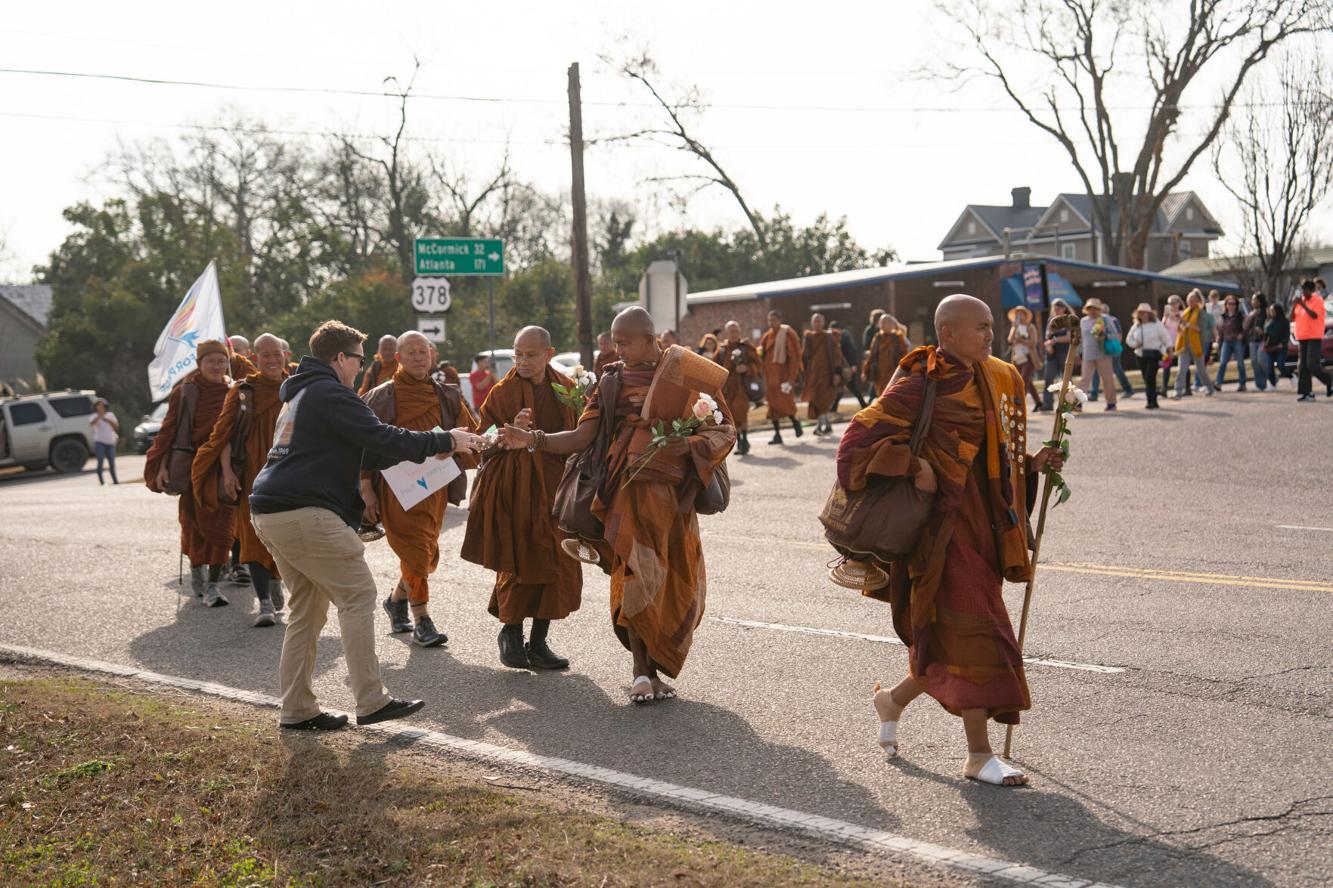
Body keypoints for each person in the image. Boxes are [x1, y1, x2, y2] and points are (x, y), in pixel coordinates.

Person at [842, 294, 1063, 787]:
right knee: (977, 630)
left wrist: (1031, 465)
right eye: (980, 327)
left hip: (984, 524)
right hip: (941, 531)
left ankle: (892, 700)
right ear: (948, 334)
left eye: (990, 326)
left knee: (948, 635)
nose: (990, 335)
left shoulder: (998, 377)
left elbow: (996, 456)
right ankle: (978, 756)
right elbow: (858, 440)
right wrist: (915, 467)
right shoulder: (924, 381)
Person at [250, 320, 486, 731]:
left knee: (307, 610)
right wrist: (444, 440)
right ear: (340, 358)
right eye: (358, 360)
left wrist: (428, 449)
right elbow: (383, 437)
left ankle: (297, 709)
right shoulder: (330, 392)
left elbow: (364, 453)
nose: (360, 368)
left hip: (271, 511)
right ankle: (371, 701)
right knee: (358, 595)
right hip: (306, 511)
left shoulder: (301, 394)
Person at [498, 307, 735, 704]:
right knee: (635, 575)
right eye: (614, 340)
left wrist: (689, 444)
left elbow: (726, 428)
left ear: (649, 337)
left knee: (677, 580)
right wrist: (534, 439)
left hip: (676, 501)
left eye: (624, 342)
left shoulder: (690, 372)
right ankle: (641, 671)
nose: (616, 348)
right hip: (627, 498)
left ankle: (654, 671)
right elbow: (581, 437)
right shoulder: (611, 381)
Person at [462, 326, 583, 670]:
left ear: (548, 353)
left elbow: (580, 435)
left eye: (531, 354)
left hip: (556, 488)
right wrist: (506, 432)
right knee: (520, 558)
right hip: (515, 489)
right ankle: (510, 631)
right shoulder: (502, 393)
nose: (523, 361)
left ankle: (540, 642)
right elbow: (481, 441)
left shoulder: (567, 390)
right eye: (518, 354)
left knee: (556, 562)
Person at [361, 332, 480, 647]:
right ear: (397, 358)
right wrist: (365, 488)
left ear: (431, 356)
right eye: (410, 353)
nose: (417, 358)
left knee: (425, 552)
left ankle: (396, 599)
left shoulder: (448, 395)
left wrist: (452, 447)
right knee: (415, 549)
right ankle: (422, 619)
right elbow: (363, 445)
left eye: (422, 352)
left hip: (433, 486)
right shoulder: (380, 396)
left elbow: (469, 435)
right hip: (394, 488)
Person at [191, 333, 289, 627]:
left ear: (285, 355)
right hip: (252, 476)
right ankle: (264, 603)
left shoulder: (295, 386)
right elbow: (223, 435)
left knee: (284, 536)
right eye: (265, 355)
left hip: (289, 474)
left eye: (276, 354)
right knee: (252, 535)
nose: (272, 360)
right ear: (255, 359)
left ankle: (275, 579)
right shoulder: (244, 390)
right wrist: (228, 471)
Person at [144, 339, 236, 607]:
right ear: (199, 364)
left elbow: (234, 434)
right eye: (211, 361)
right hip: (191, 466)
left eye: (222, 361)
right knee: (193, 526)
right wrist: (161, 465)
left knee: (222, 525)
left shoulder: (233, 390)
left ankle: (213, 585)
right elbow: (168, 431)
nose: (217, 366)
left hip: (220, 470)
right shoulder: (185, 392)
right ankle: (198, 570)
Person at [716, 320, 761, 455]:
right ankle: (740, 440)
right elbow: (714, 367)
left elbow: (758, 365)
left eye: (736, 331)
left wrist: (747, 368)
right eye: (731, 331)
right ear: (726, 333)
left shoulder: (746, 347)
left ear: (740, 332)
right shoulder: (722, 350)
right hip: (727, 389)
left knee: (741, 413)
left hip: (742, 387)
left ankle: (745, 440)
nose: (734, 334)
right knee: (732, 417)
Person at [759, 310, 804, 444]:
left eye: (774, 320)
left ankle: (795, 422)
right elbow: (762, 354)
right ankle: (777, 434)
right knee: (772, 406)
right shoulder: (767, 336)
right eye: (769, 320)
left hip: (783, 377)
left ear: (780, 320)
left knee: (785, 403)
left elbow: (794, 357)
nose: (771, 323)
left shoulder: (787, 334)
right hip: (770, 379)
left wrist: (792, 377)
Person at [802, 313, 844, 436]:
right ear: (811, 323)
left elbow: (837, 355)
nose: (817, 323)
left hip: (827, 373)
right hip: (813, 374)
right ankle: (827, 425)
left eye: (819, 321)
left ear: (824, 323)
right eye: (815, 321)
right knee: (815, 400)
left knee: (823, 400)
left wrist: (837, 373)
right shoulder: (809, 337)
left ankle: (820, 426)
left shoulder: (829, 337)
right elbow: (804, 356)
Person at [1291, 278, 1332, 402]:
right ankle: (1307, 392)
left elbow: (1314, 315)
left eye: (1305, 290)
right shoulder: (1300, 302)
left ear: (1311, 290)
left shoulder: (1318, 300)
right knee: (1302, 365)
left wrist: (1302, 304)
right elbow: (1291, 317)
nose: (1303, 292)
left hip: (1314, 336)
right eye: (1302, 289)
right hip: (1302, 336)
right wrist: (1294, 306)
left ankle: (1330, 380)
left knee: (1312, 364)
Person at [1126, 304, 1172, 409]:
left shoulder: (1157, 324)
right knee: (1146, 378)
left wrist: (1170, 350)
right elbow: (1129, 339)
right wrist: (1135, 344)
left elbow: (1166, 337)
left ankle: (1150, 401)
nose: (1142, 314)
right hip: (1140, 354)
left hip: (1154, 354)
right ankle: (1153, 398)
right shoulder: (1136, 325)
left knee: (1150, 377)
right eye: (1140, 312)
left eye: (1144, 312)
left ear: (1149, 313)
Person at [1174, 290, 1217, 398]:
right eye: (1189, 301)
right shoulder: (1185, 313)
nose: (1190, 303)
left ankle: (1210, 388)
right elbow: (1182, 328)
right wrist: (1180, 324)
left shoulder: (1201, 314)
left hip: (1198, 344)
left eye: (1192, 301)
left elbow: (1200, 329)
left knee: (1200, 369)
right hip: (1185, 344)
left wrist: (1187, 324)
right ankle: (1178, 391)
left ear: (1198, 301)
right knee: (1181, 368)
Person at [1079, 299, 1119, 411]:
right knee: (1084, 379)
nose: (1092, 311)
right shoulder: (1083, 321)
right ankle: (1078, 403)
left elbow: (1115, 334)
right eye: (1090, 308)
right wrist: (1078, 353)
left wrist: (1104, 336)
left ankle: (1111, 403)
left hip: (1103, 353)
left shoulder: (1106, 319)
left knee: (1107, 379)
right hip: (1088, 353)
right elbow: (1081, 338)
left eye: (1095, 308)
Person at [863, 313, 911, 398]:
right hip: (880, 375)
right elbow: (872, 356)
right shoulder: (877, 338)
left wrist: (908, 370)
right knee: (882, 397)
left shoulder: (898, 337)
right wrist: (865, 371)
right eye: (881, 323)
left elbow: (905, 355)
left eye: (885, 322)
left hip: (895, 373)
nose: (882, 325)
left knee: (893, 397)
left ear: (892, 324)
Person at [1006, 306, 1044, 411]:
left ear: (1025, 315)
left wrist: (1021, 340)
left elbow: (1033, 343)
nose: (1019, 316)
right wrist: (1014, 328)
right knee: (1024, 380)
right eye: (1017, 314)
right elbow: (1009, 340)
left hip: (1029, 357)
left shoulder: (1030, 327)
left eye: (1021, 313)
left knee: (1023, 379)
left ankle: (1019, 404)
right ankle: (1038, 402)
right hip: (1017, 357)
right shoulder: (1014, 327)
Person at [1041, 299, 1075, 410]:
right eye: (1054, 309)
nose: (1055, 311)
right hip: (1051, 354)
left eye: (1058, 308)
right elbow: (1047, 336)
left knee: (1066, 380)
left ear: (1064, 308)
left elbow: (1069, 337)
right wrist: (1048, 344)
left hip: (1065, 353)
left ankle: (1069, 404)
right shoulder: (1051, 320)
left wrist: (1055, 339)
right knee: (1048, 378)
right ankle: (1047, 405)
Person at [830, 321, 869, 409]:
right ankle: (834, 407)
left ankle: (863, 404)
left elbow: (851, 351)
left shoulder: (845, 337)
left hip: (847, 367)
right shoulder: (835, 338)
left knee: (852, 387)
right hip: (842, 367)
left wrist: (853, 364)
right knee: (843, 387)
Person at [1213, 294, 1249, 391]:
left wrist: (1242, 334)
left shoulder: (1240, 315)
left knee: (1240, 363)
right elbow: (1220, 328)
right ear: (1226, 305)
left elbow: (1245, 327)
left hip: (1237, 340)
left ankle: (1242, 384)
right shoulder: (1223, 316)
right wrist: (1219, 337)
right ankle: (1218, 383)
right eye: (1229, 303)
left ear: (1236, 305)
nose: (1231, 305)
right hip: (1226, 341)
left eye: (1233, 304)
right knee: (1223, 362)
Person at [89, 398, 119, 485]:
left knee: (112, 464)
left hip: (110, 443)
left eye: (102, 405)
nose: (101, 407)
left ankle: (115, 481)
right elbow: (92, 424)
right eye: (99, 405)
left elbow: (116, 427)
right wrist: (100, 416)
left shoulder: (110, 415)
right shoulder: (94, 416)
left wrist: (107, 419)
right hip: (99, 442)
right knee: (100, 462)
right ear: (96, 407)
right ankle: (101, 482)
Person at [1244, 293, 1269, 392]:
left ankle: (1272, 378)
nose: (1253, 301)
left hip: (1263, 340)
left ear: (1260, 301)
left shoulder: (1266, 312)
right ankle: (1260, 385)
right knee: (1254, 362)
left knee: (1261, 360)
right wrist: (1251, 316)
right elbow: (1245, 327)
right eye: (1252, 300)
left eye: (1255, 300)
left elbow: (1270, 324)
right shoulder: (1251, 313)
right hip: (1252, 340)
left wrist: (1264, 331)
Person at [1160, 295, 1185, 394]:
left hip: (1180, 343)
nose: (1172, 306)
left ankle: (1186, 388)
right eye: (1170, 304)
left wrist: (1176, 318)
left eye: (1174, 303)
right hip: (1169, 344)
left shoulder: (1182, 314)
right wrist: (1166, 317)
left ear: (1178, 304)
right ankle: (1164, 388)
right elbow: (1162, 327)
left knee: (1182, 366)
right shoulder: (1167, 316)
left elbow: (1183, 325)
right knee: (1166, 366)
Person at [1263, 303, 1290, 386]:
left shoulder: (1284, 321)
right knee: (1269, 366)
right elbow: (1266, 334)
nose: (1271, 312)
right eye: (1270, 311)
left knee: (1280, 364)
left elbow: (1286, 334)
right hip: (1270, 347)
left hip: (1280, 347)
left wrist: (1282, 342)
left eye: (1273, 310)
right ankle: (1272, 384)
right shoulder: (1268, 322)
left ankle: (1291, 376)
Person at [1204, 289, 1225, 364]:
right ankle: (1210, 359)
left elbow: (1223, 315)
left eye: (1215, 297)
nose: (1214, 299)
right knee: (1211, 344)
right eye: (1212, 297)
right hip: (1210, 328)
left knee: (1220, 343)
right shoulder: (1207, 306)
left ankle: (1221, 358)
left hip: (1220, 327)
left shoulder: (1221, 305)